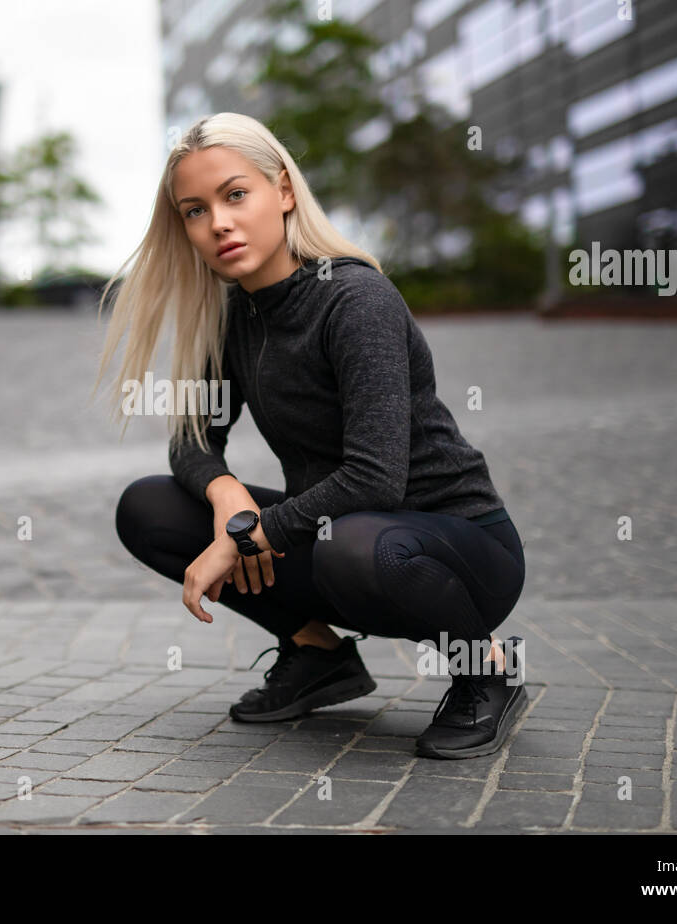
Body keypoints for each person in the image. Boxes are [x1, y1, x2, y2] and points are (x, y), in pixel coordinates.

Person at [94, 112, 527, 759]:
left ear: (284, 191)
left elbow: (376, 478)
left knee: (352, 543)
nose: (218, 222)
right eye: (195, 210)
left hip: (457, 549)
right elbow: (191, 442)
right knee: (148, 506)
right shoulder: (233, 317)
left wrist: (252, 536)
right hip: (336, 543)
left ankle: (483, 669)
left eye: (235, 194)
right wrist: (230, 501)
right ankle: (318, 654)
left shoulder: (355, 299)